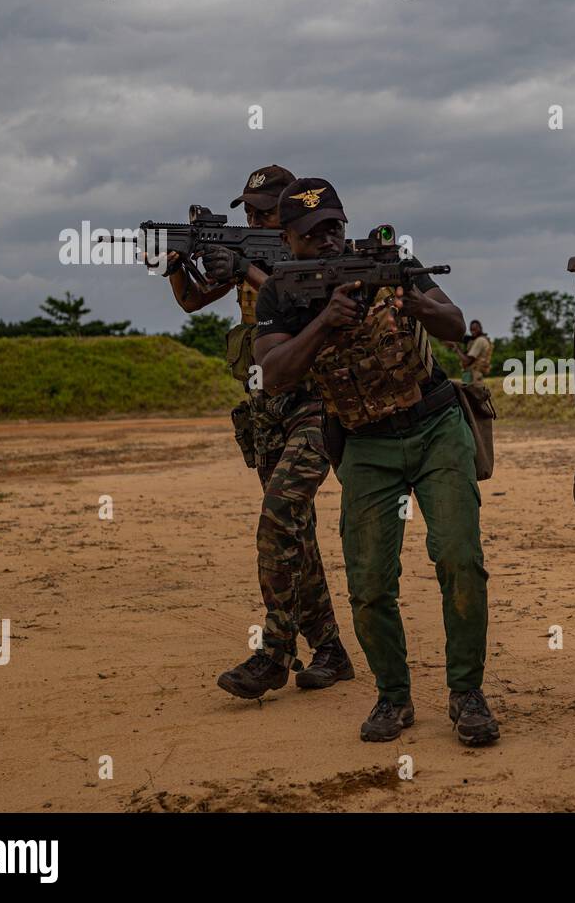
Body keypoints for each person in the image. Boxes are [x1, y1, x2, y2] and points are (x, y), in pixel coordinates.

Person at [253, 178, 499, 745]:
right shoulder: (282, 296)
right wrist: (325, 322)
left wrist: (416, 302)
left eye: (335, 226)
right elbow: (273, 373)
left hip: (436, 424)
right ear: (288, 239)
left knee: (460, 557)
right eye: (314, 234)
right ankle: (394, 696)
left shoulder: (388, 262)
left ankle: (467, 693)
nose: (330, 240)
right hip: (364, 443)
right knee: (368, 583)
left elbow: (456, 324)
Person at [170, 165, 355, 698]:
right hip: (267, 405)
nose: (252, 219)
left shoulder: (317, 254)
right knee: (294, 528)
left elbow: (304, 300)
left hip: (317, 401)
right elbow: (190, 302)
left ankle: (275, 653)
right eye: (247, 212)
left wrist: (248, 266)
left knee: (279, 516)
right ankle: (329, 649)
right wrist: (177, 266)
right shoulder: (249, 253)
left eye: (264, 212)